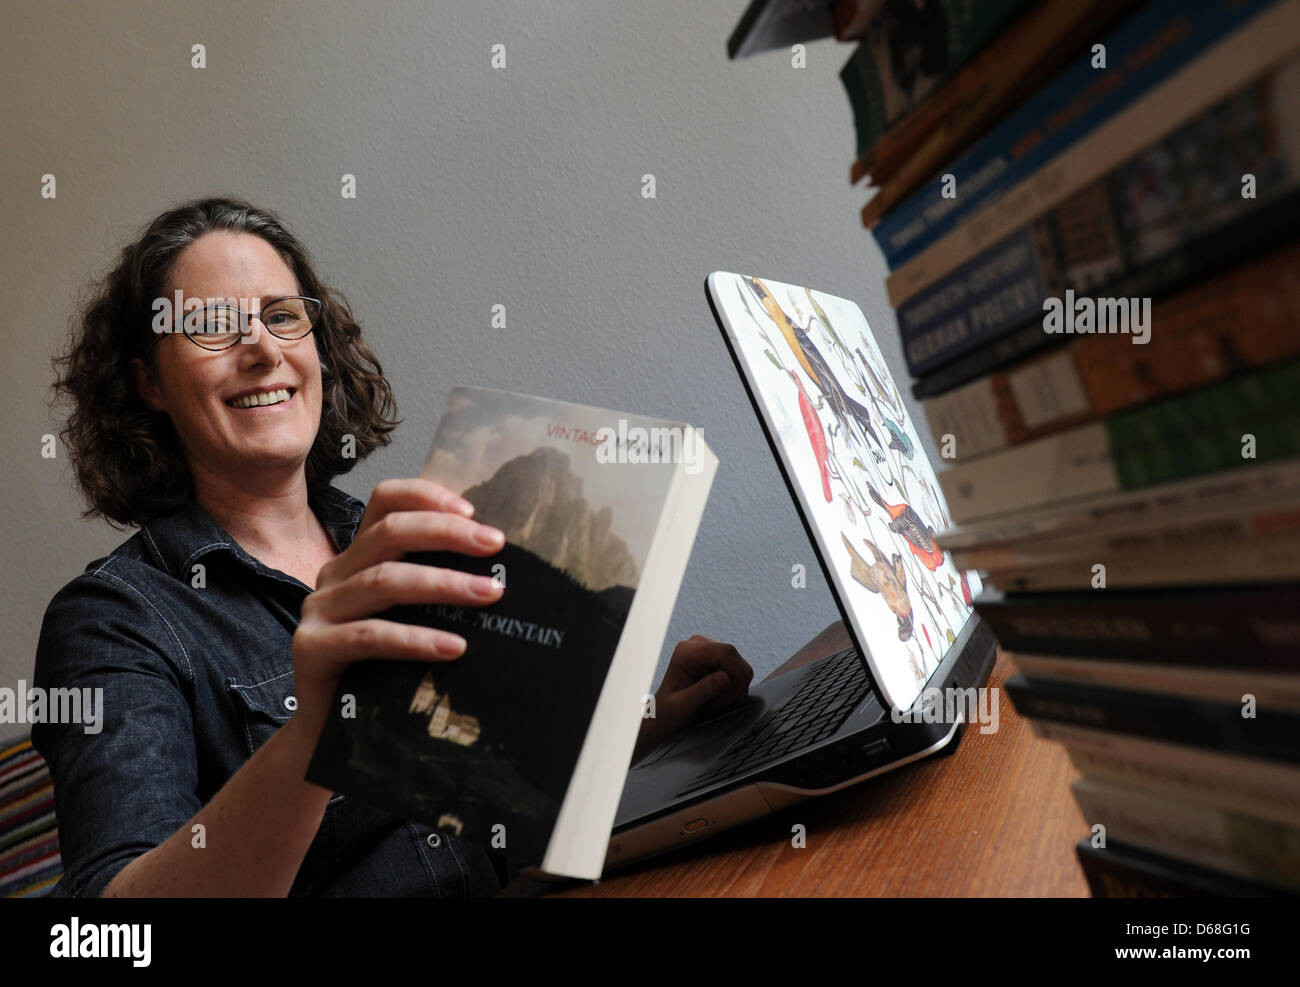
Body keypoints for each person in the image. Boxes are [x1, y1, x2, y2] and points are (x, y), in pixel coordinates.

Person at [31, 196, 772, 898]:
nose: (261, 349)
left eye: (283, 317)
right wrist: (318, 729)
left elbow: (491, 791)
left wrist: (646, 724)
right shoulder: (109, 621)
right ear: (149, 382)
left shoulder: (400, 535)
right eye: (213, 326)